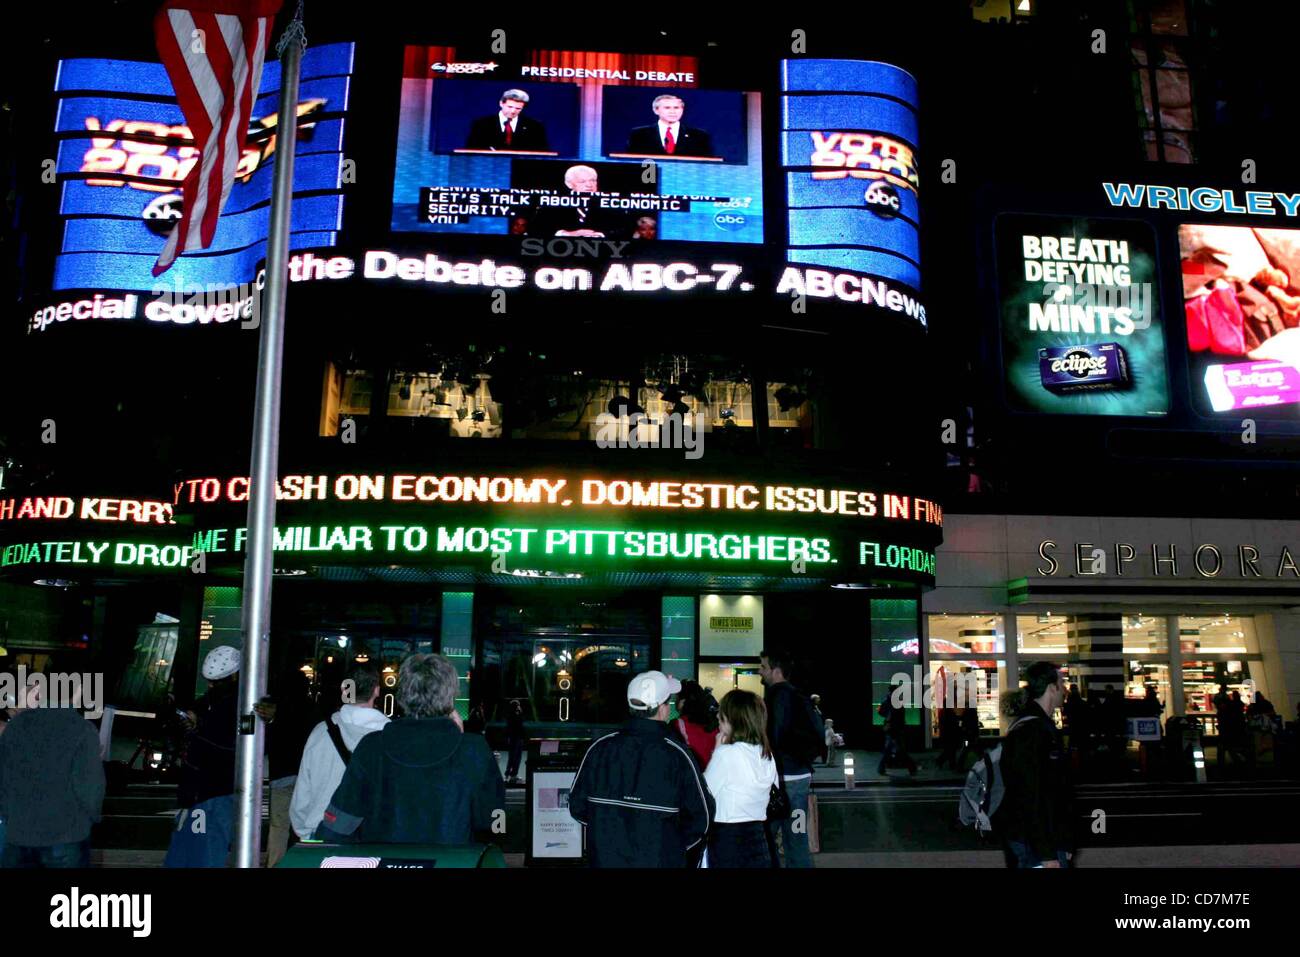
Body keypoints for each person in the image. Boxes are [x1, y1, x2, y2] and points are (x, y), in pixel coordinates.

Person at [318, 654, 504, 845]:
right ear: (451, 696)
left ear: (402, 694)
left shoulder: (371, 747)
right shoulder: (473, 750)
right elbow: (493, 820)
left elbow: (338, 824)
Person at [568, 670, 713, 868]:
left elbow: (576, 807)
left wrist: (605, 837)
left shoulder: (599, 748)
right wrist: (672, 848)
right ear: (662, 710)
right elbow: (701, 818)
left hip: (605, 859)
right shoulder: (678, 755)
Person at [0, 671, 105, 868]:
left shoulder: (14, 728)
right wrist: (91, 818)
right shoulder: (82, 729)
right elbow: (91, 786)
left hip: (19, 836)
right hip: (65, 836)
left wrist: (9, 815)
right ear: (76, 694)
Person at [289, 664, 389, 842]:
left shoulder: (321, 732)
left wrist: (306, 832)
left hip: (323, 831)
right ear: (377, 691)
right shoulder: (391, 736)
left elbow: (303, 792)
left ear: (345, 689)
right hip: (372, 839)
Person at [164, 645, 243, 867]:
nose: (210, 685)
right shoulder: (210, 701)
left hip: (215, 792)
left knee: (204, 854)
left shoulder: (237, 705)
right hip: (197, 793)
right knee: (187, 855)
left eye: (216, 681)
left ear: (234, 676)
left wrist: (199, 727)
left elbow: (230, 745)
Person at [994, 662, 1074, 868]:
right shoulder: (1033, 732)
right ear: (1051, 687)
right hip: (1035, 845)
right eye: (1061, 682)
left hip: (1038, 840)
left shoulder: (1034, 726)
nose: (1065, 689)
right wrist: (1047, 853)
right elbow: (1031, 794)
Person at [760, 648, 823, 868]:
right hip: (801, 778)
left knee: (766, 838)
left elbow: (774, 737)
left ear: (776, 671)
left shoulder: (777, 697)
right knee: (797, 837)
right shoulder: (798, 695)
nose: (760, 672)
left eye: (763, 667)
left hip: (782, 781)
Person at [703, 689, 778, 868]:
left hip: (727, 838)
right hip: (759, 836)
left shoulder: (727, 754)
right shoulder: (765, 753)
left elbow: (704, 793)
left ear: (733, 720)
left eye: (721, 718)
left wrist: (717, 749)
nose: (718, 722)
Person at [529, 165, 627, 239]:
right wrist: (568, 234)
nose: (589, 185)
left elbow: (622, 229)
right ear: (569, 184)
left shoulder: (610, 203)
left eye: (593, 180)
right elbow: (537, 229)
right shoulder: (554, 203)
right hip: (559, 252)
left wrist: (601, 235)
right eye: (582, 181)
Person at [625, 95, 714, 157]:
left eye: (676, 108)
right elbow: (632, 160)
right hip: (649, 177)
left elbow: (706, 163)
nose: (672, 111)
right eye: (667, 108)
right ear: (656, 110)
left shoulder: (699, 135)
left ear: (682, 110)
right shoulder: (639, 134)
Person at [465, 88, 549, 151]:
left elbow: (543, 152)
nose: (513, 111)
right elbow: (471, 150)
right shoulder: (481, 124)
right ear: (501, 103)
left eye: (518, 108)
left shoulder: (535, 127)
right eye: (510, 107)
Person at [673, 680, 718, 770]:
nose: (675, 702)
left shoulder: (678, 725)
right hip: (714, 773)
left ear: (683, 701)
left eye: (676, 698)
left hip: (694, 775)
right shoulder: (715, 722)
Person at [877, 685, 918, 777]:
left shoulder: (887, 700)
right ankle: (912, 767)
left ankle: (881, 768)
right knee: (899, 750)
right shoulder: (896, 701)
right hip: (895, 728)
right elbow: (899, 715)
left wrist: (886, 718)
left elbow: (880, 711)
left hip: (890, 727)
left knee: (889, 749)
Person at [505, 699, 525, 784]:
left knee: (516, 757)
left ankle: (513, 774)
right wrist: (520, 713)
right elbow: (518, 723)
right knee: (513, 757)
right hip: (515, 738)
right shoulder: (513, 715)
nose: (519, 707)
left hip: (518, 738)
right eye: (518, 705)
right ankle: (509, 774)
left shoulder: (515, 714)